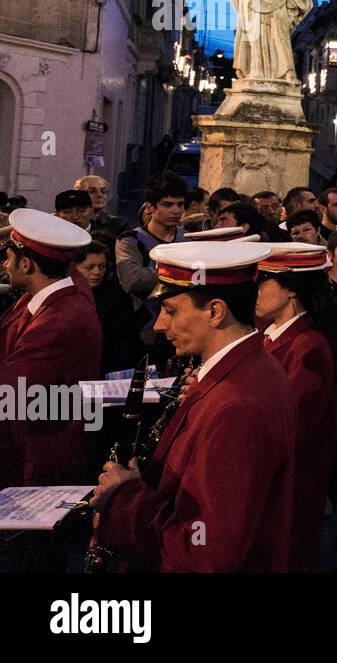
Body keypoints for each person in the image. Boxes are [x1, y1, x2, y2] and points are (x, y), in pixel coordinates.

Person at [91, 240, 296, 572]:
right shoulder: (243, 372)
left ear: (215, 312)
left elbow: (205, 547)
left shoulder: (238, 404)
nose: (159, 325)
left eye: (171, 311)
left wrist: (123, 496)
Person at [256, 243, 337, 572]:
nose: (258, 291)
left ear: (291, 290)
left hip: (291, 486)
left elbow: (289, 426)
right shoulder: (278, 337)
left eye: (265, 282)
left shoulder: (307, 347)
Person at [0, 210, 101, 487]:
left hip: (40, 459)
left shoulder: (58, 320)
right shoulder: (57, 293)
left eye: (9, 258)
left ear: (26, 265)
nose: (5, 266)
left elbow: (11, 393)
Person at [116, 173, 187, 357]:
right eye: (167, 204)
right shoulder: (131, 240)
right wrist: (179, 271)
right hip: (145, 328)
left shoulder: (187, 237)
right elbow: (132, 280)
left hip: (183, 326)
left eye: (180, 204)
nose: (176, 210)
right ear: (150, 207)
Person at [75, 239, 140, 375]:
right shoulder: (67, 297)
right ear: (75, 267)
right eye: (89, 267)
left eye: (102, 266)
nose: (97, 272)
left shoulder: (118, 295)